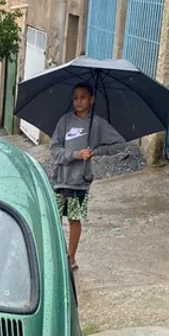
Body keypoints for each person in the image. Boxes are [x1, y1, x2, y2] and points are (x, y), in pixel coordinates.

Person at [48, 83, 128, 272]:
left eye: (83, 97)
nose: (78, 101)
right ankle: (54, 254)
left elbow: (120, 144)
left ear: (92, 99)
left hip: (80, 182)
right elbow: (54, 149)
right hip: (60, 179)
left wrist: (95, 151)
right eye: (75, 97)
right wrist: (75, 154)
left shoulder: (98, 124)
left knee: (74, 219)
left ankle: (71, 256)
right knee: (55, 217)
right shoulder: (65, 121)